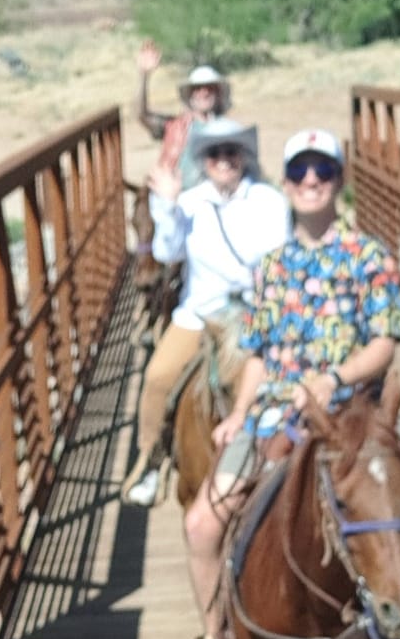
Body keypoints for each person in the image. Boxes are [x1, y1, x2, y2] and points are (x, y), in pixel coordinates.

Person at [185, 126, 400, 639]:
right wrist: (238, 413)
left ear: (339, 181)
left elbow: (384, 343)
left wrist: (334, 379)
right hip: (276, 413)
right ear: (285, 184)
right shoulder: (270, 268)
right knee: (203, 523)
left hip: (362, 415)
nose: (312, 181)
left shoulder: (370, 257)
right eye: (301, 172)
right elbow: (258, 353)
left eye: (324, 171)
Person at [121, 113, 286, 507]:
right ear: (204, 160)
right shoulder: (191, 201)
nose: (224, 160)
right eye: (214, 154)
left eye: (231, 152)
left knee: (280, 384)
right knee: (159, 377)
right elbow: (166, 251)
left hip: (254, 312)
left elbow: (275, 259)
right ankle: (151, 462)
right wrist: (168, 204)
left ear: (244, 156)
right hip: (199, 311)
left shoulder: (269, 201)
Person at [136, 41, 230, 190]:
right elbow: (142, 114)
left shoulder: (227, 129)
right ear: (190, 95)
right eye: (197, 88)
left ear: (218, 93)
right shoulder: (176, 125)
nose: (203, 92)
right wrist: (144, 75)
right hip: (174, 198)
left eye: (209, 87)